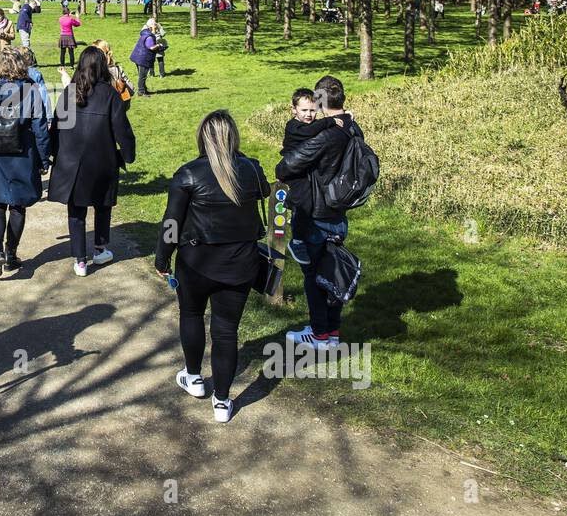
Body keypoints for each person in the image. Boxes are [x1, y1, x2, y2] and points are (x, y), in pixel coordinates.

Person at [155, 110, 270, 424]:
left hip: (196, 264)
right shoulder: (250, 170)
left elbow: (171, 223)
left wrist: (162, 258)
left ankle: (193, 377)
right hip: (240, 265)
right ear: (234, 138)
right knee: (226, 332)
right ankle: (221, 401)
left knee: (191, 315)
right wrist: (240, 157)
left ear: (201, 138)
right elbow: (266, 190)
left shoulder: (188, 174)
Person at [276, 75, 362, 351]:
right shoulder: (351, 126)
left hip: (316, 212)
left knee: (314, 277)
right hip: (339, 209)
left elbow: (286, 167)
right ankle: (332, 332)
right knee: (333, 270)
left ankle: (320, 334)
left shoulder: (328, 134)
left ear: (321, 100)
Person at [48, 46, 136, 277]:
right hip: (102, 161)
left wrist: (55, 156)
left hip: (71, 163)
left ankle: (80, 260)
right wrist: (128, 154)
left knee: (76, 212)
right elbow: (122, 131)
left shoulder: (69, 93)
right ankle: (99, 248)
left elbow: (56, 130)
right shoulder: (109, 95)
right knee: (102, 205)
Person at [0, 46, 51, 278]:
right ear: (22, 64)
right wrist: (45, 159)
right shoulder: (31, 90)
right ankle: (11, 252)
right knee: (17, 204)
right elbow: (40, 128)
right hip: (23, 154)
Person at [283, 87, 339, 154]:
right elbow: (309, 131)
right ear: (294, 109)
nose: (308, 114)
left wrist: (345, 114)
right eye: (304, 110)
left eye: (312, 110)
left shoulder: (313, 124)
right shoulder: (292, 127)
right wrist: (328, 121)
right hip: (293, 161)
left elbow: (317, 125)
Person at [129, 18, 161, 96]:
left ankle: (144, 90)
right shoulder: (149, 36)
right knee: (142, 76)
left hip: (138, 57)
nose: (156, 25)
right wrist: (159, 45)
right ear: (150, 26)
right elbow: (151, 47)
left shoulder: (145, 32)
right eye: (154, 24)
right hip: (143, 58)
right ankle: (141, 92)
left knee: (142, 76)